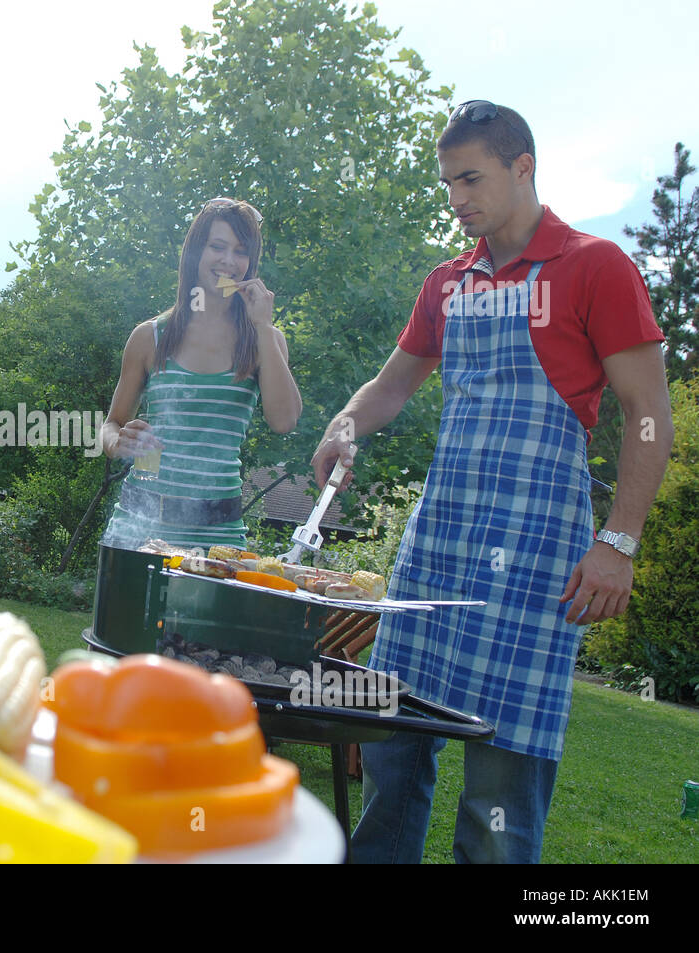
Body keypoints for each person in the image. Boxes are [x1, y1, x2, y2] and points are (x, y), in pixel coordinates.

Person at [310, 102, 673, 863]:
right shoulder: (449, 283)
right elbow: (390, 385)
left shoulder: (594, 265)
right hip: (439, 545)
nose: (458, 199)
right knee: (392, 753)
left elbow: (649, 413)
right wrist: (344, 422)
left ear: (523, 167)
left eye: (470, 178)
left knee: (497, 796)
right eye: (449, 184)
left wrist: (618, 542)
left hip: (537, 555)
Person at [99, 197, 302, 550]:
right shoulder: (150, 336)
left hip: (218, 534)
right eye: (217, 247)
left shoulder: (264, 339)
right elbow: (111, 423)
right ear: (196, 252)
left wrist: (263, 325)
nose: (228, 260)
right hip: (138, 524)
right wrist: (117, 442)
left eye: (241, 252)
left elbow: (284, 421)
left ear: (250, 263)